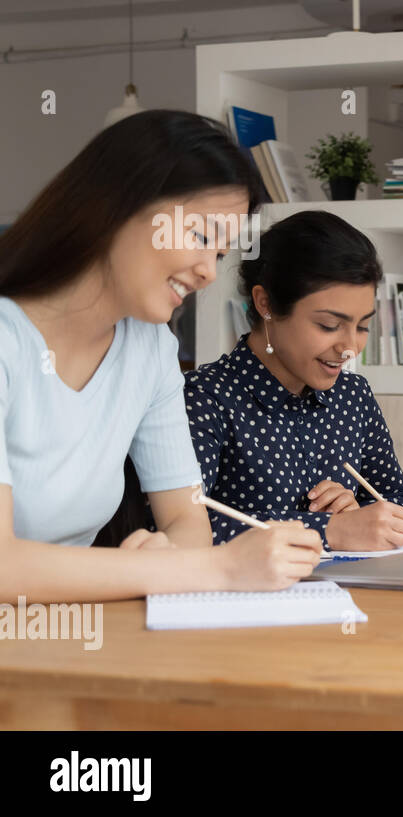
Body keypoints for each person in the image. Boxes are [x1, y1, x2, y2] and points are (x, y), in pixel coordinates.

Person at [0, 110, 323, 602]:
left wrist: (169, 553)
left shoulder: (150, 349)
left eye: (220, 253)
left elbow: (185, 518)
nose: (209, 272)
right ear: (117, 204)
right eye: (200, 237)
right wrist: (216, 569)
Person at [185, 211, 403, 551]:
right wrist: (329, 529)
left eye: (363, 325)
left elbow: (397, 505)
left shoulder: (353, 396)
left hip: (354, 597)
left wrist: (361, 514)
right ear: (265, 303)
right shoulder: (206, 397)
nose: (350, 347)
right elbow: (177, 528)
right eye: (328, 325)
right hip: (243, 599)